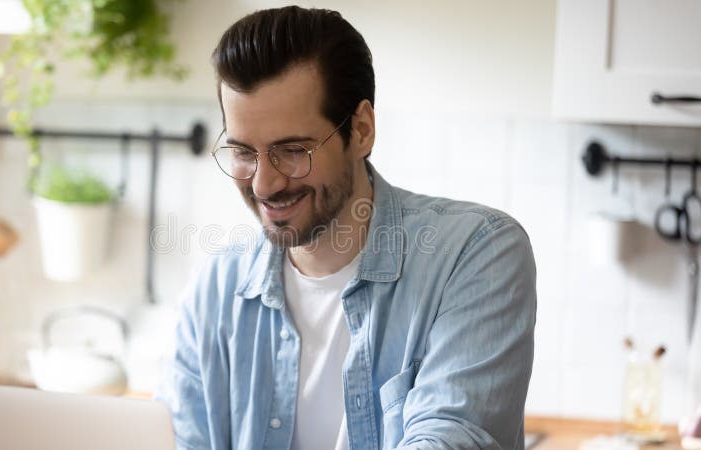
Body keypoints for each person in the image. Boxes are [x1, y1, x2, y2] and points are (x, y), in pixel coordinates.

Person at [156, 5, 536, 450]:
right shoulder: (216, 287)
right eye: (243, 152)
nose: (263, 183)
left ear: (361, 129)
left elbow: (451, 437)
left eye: (292, 150)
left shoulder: (477, 253)